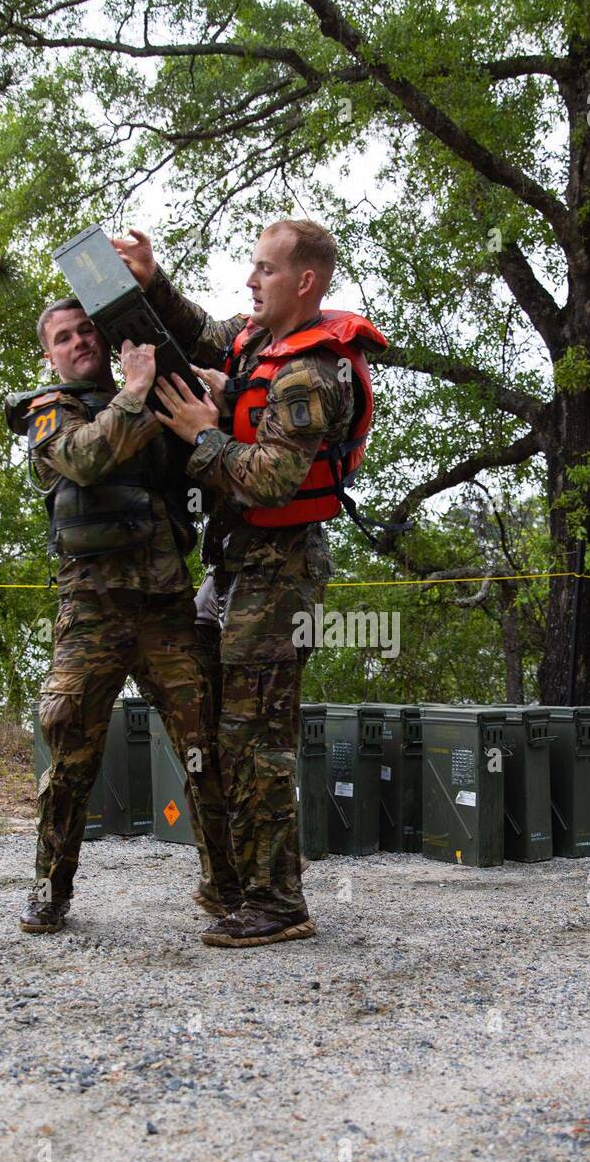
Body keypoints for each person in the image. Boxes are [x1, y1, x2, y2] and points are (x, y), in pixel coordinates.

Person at [112, 219, 387, 948]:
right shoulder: (257, 340)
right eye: (252, 266)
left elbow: (270, 481)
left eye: (265, 270)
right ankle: (233, 881)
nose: (250, 281)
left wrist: (205, 434)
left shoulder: (311, 374)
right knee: (206, 723)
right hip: (232, 567)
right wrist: (151, 280)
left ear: (307, 281)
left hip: (280, 573)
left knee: (256, 738)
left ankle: (278, 904)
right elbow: (203, 330)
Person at [5, 301, 240, 932]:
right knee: (70, 751)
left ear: (105, 337)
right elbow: (82, 459)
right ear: (50, 353)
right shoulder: (51, 411)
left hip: (166, 608)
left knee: (202, 746)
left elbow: (207, 468)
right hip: (91, 613)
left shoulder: (158, 398)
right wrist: (134, 391)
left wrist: (206, 404)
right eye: (63, 337)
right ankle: (50, 891)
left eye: (86, 329)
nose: (78, 341)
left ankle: (228, 893)